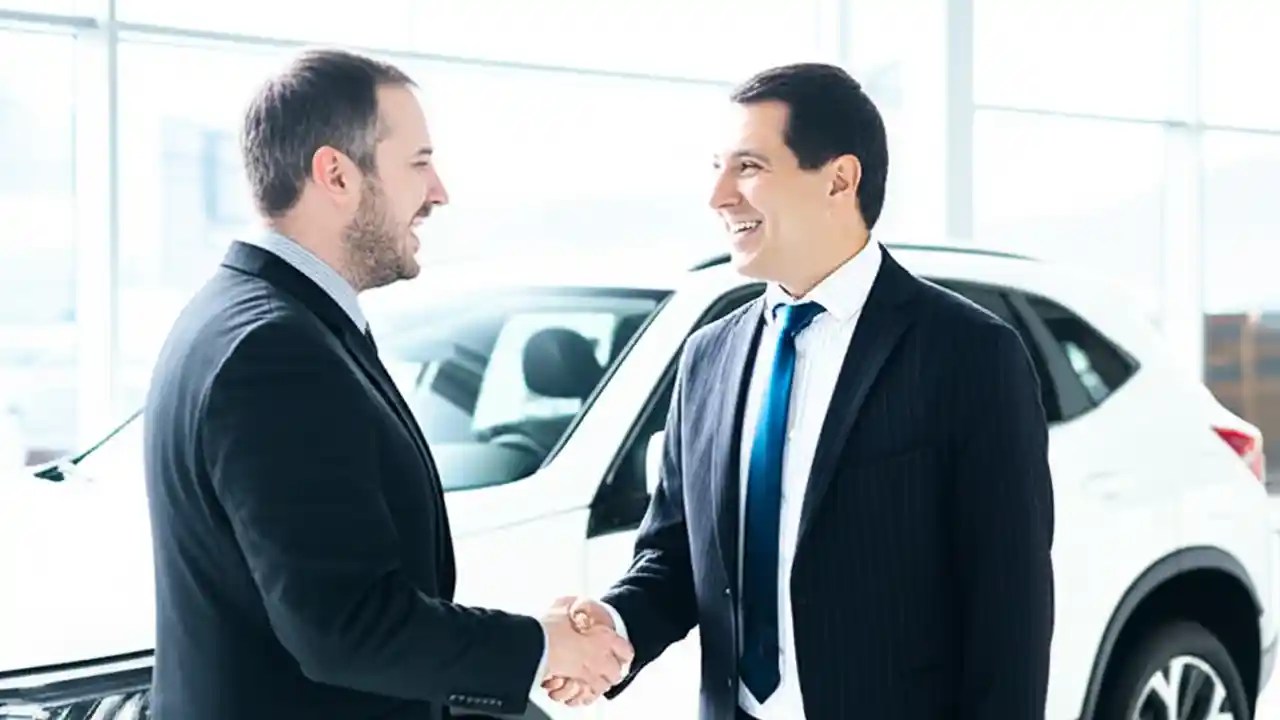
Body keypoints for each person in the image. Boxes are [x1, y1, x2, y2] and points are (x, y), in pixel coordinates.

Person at [543, 63, 1055, 719]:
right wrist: (614, 624)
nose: (718, 196)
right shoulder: (708, 357)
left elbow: (1009, 612)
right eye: (718, 168)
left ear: (839, 179)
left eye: (749, 167)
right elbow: (675, 558)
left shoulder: (969, 354)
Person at [142, 48, 631, 720]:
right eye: (419, 163)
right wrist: (541, 647)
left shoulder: (242, 316)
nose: (439, 192)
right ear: (336, 174)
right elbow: (346, 626)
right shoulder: (276, 350)